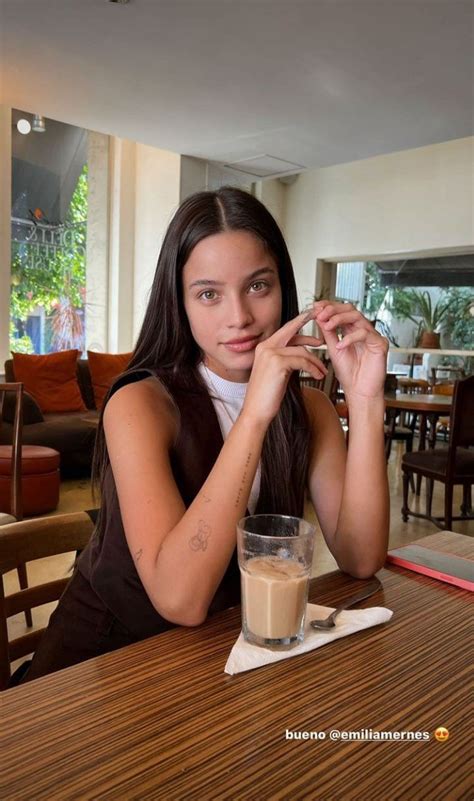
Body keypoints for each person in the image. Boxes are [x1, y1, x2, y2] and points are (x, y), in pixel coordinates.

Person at [21, 186, 389, 683]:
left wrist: (365, 402)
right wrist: (254, 414)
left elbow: (362, 558)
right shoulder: (140, 404)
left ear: (284, 287)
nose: (238, 316)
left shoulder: (311, 409)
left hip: (213, 663)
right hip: (101, 671)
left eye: (258, 286)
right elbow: (181, 600)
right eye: (209, 293)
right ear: (181, 301)